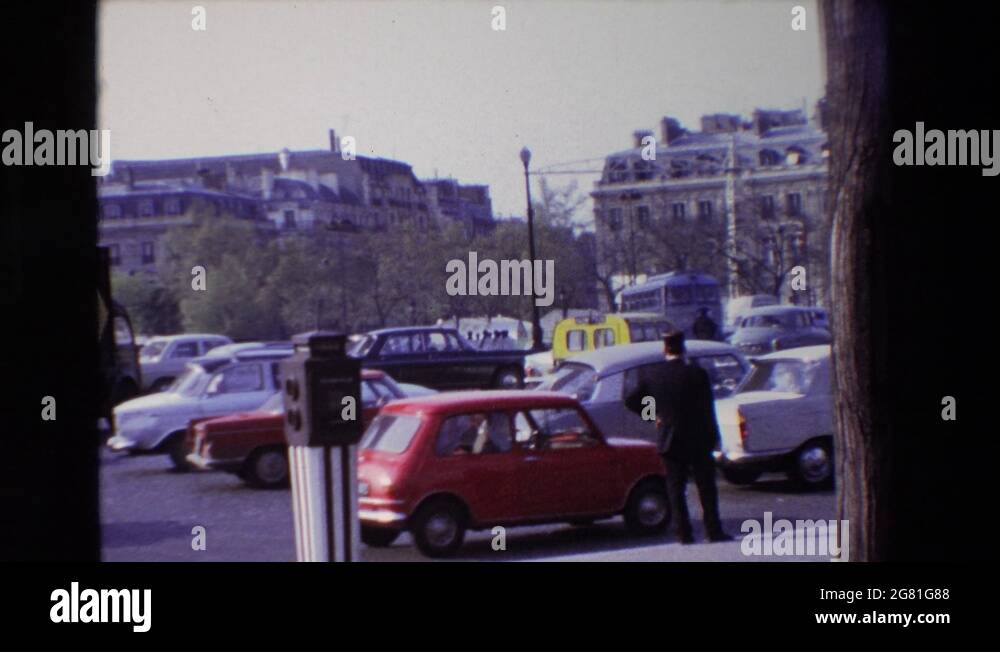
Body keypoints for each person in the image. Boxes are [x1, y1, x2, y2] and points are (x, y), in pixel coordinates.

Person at [625, 330, 732, 543]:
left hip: (670, 437)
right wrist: (715, 436)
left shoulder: (653, 375)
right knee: (706, 487)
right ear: (683, 349)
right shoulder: (697, 373)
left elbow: (631, 399)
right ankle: (713, 530)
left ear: (665, 349)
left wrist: (653, 415)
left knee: (675, 488)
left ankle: (683, 533)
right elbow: (707, 408)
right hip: (699, 437)